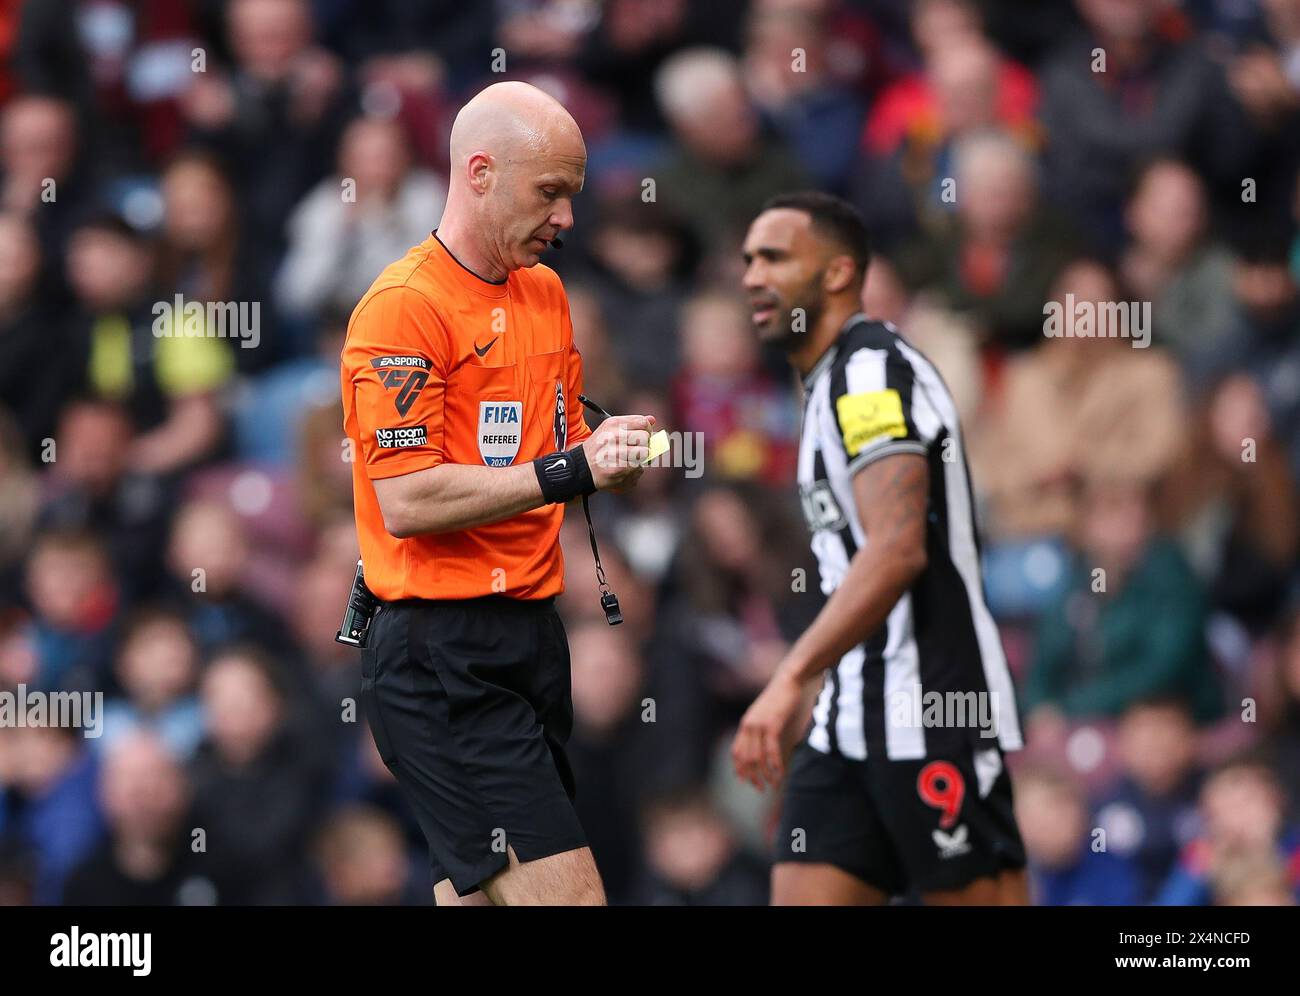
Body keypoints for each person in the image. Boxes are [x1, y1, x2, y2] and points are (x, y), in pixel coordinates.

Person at [340, 81, 654, 906]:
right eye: (549, 192)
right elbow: (407, 500)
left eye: (573, 196)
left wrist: (607, 448)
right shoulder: (405, 308)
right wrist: (572, 471)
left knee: (478, 898)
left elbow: (555, 447)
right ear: (479, 173)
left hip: (530, 635)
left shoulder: (545, 293)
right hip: (442, 650)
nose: (566, 218)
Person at [731, 191, 1027, 905]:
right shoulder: (827, 382)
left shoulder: (870, 374)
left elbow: (898, 551)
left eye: (773, 257)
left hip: (930, 707)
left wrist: (791, 676)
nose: (749, 277)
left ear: (836, 274)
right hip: (847, 716)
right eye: (746, 260)